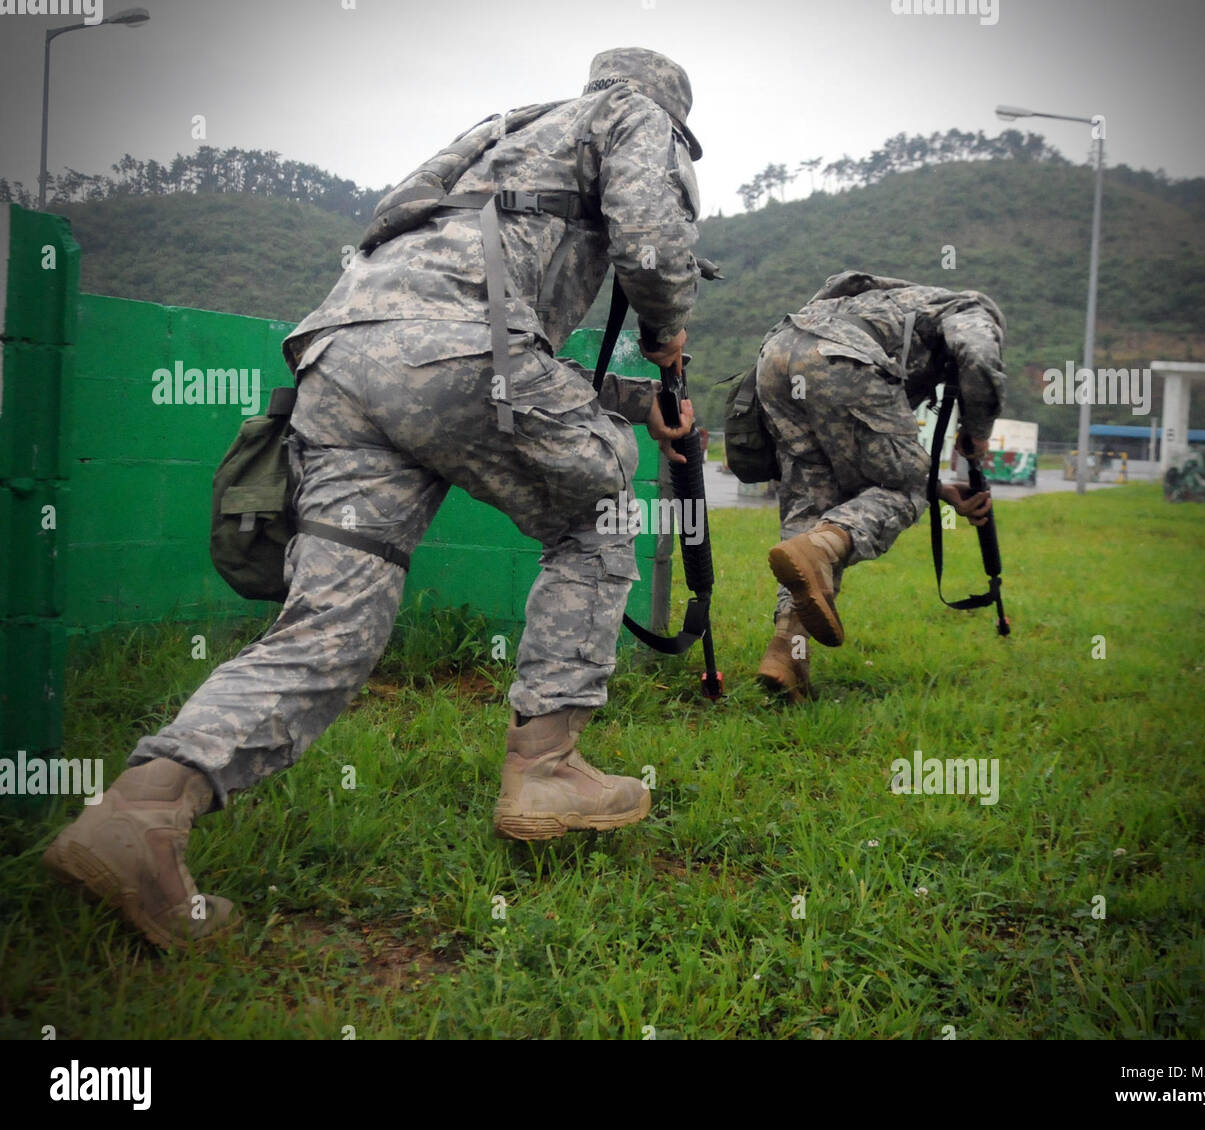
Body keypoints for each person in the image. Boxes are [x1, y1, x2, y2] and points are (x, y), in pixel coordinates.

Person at [43, 47, 707, 947]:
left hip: (339, 362)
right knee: (599, 507)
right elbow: (651, 249)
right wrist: (667, 331)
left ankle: (141, 810)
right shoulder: (634, 113)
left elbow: (476, 338)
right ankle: (547, 768)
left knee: (330, 628)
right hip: (462, 351)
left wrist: (626, 401)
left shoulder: (499, 137)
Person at [753, 271, 1004, 701]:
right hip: (840, 361)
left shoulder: (892, 302)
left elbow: (834, 285)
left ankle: (785, 653)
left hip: (777, 356)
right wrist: (978, 430)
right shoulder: (971, 308)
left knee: (811, 510)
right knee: (905, 490)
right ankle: (823, 549)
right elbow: (980, 354)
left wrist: (942, 489)